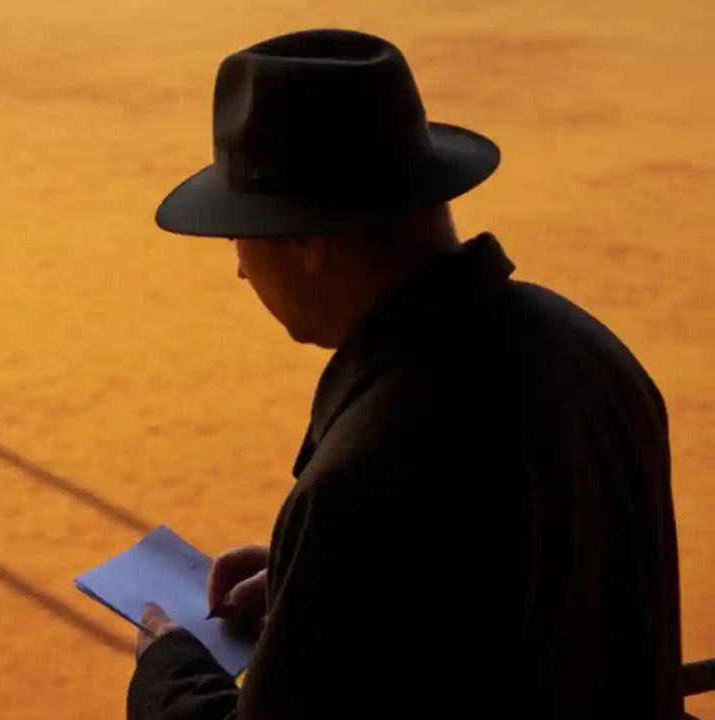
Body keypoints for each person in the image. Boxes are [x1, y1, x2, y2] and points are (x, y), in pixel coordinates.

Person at [127, 28, 683, 719]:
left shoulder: (368, 471)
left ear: (306, 240)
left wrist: (169, 679)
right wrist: (317, 586)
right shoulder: (590, 349)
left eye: (239, 232)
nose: (239, 266)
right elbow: (505, 597)